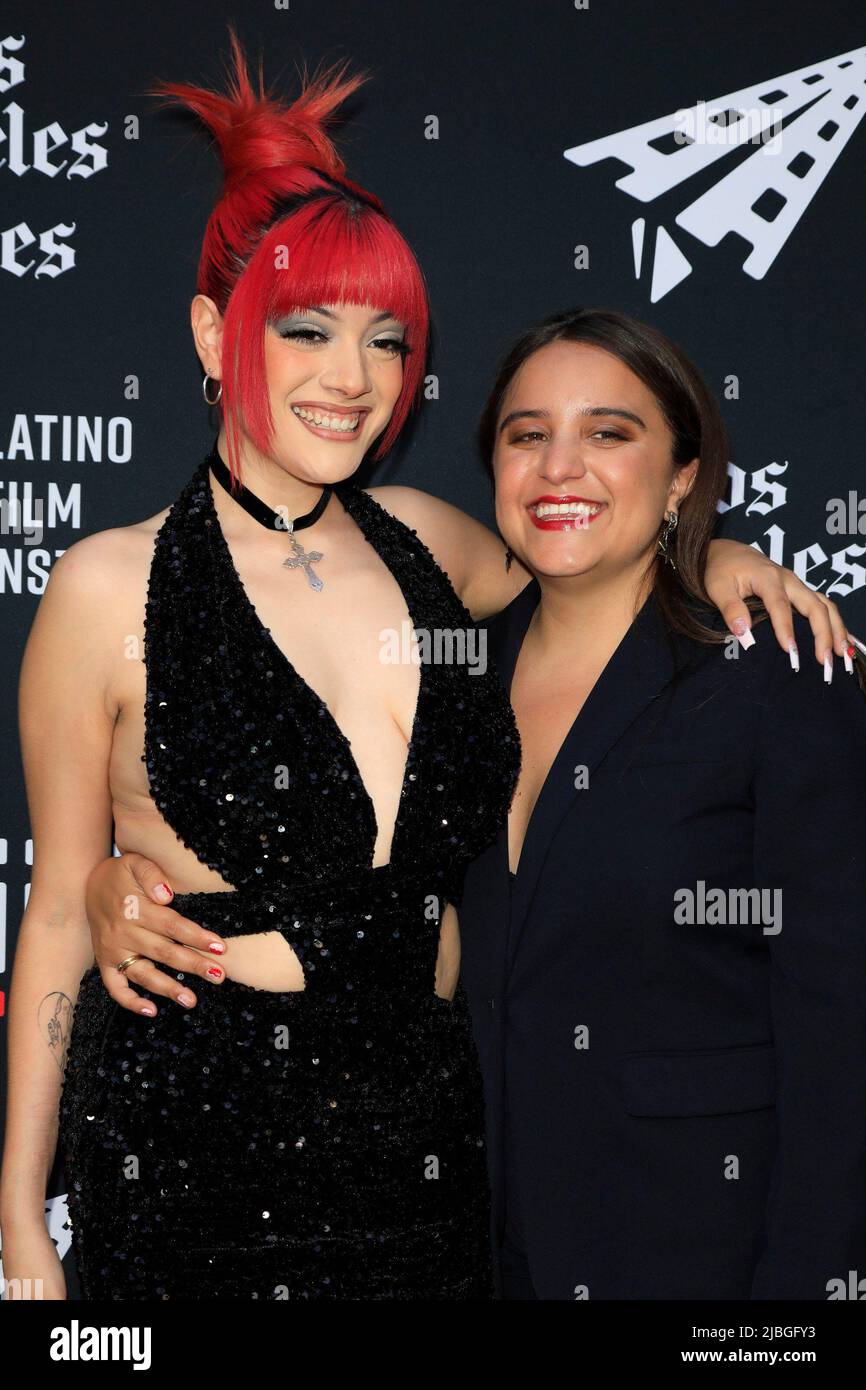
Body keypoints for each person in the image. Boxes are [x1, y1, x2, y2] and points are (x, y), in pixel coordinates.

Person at [0, 31, 850, 1302]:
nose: (351, 379)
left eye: (386, 339)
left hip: (434, 1156)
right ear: (208, 331)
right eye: (305, 330)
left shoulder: (438, 550)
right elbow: (63, 905)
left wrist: (716, 545)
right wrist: (20, 1221)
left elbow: (591, 548)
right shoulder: (101, 587)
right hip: (197, 1152)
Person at [456, 307, 866, 1300]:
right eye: (525, 435)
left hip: (699, 1261)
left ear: (682, 472)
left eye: (607, 432)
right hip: (472, 1256)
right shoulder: (450, 682)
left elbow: (841, 1032)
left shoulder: (772, 672)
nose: (558, 468)